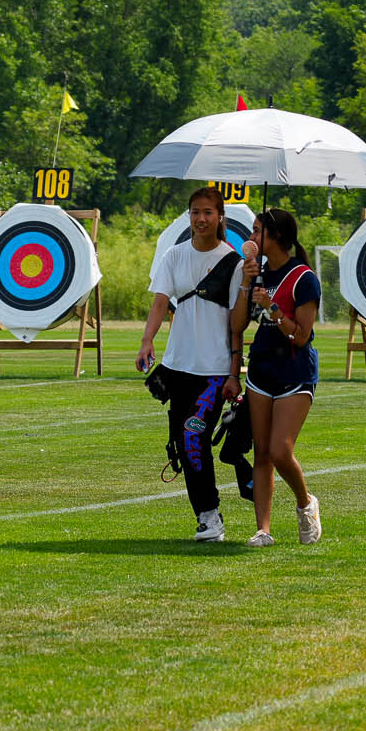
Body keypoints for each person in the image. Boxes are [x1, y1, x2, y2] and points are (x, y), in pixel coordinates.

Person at [136, 187, 247, 542]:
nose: (201, 219)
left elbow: (237, 322)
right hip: (178, 366)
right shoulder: (174, 255)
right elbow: (159, 303)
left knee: (193, 433)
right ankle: (206, 516)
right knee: (184, 445)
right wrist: (147, 340)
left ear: (220, 218)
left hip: (214, 371)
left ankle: (211, 516)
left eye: (208, 213)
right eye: (195, 212)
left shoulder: (234, 262)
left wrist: (234, 371)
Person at [232, 206, 324, 546]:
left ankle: (305, 503)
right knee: (262, 453)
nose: (252, 237)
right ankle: (263, 529)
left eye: (258, 231)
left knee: (280, 450)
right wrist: (246, 282)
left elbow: (300, 335)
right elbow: (238, 325)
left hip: (294, 370)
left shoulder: (304, 278)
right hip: (261, 369)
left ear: (278, 237)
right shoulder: (256, 273)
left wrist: (272, 307)